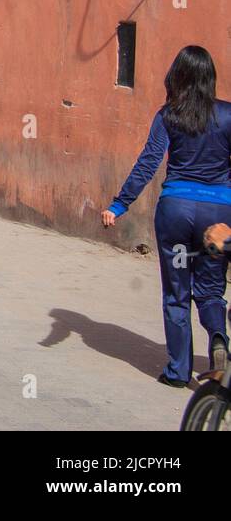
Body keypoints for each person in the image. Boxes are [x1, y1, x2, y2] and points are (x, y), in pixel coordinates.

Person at [103, 45, 231, 386]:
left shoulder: (168, 115)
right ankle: (218, 337)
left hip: (175, 214)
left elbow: (149, 162)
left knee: (177, 292)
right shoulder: (228, 115)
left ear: (178, 75)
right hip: (218, 216)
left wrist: (119, 204)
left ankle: (177, 371)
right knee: (211, 289)